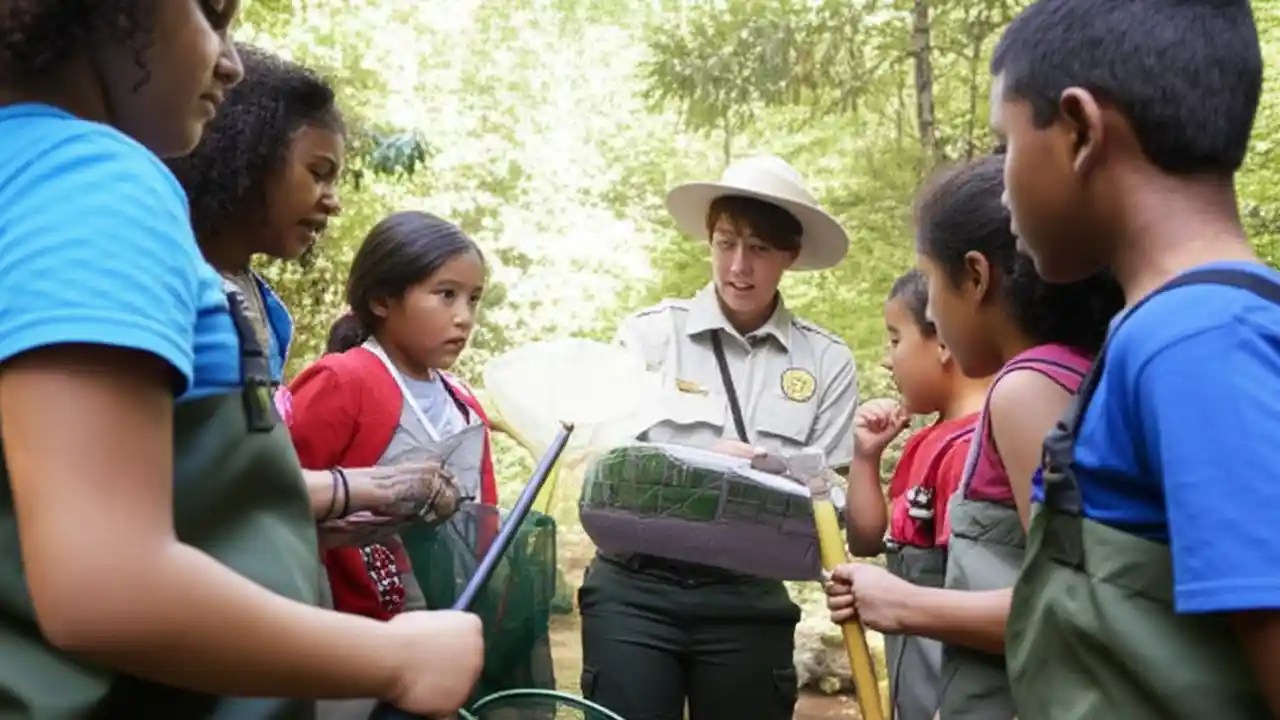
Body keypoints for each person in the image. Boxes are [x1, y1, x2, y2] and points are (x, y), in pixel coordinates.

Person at [0, 2, 482, 717]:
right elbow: (100, 584)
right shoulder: (93, 181)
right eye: (210, 14)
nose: (230, 62)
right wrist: (397, 658)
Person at [991, 0, 1277, 716]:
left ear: (1081, 130)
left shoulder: (1195, 340)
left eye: (1006, 149)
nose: (1001, 190)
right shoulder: (1176, 328)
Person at [825, 155, 1123, 719]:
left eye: (932, 282)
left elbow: (1078, 608)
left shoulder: (1028, 389)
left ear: (977, 277)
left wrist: (905, 603)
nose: (932, 307)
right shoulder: (1081, 371)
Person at [579, 154, 858, 720]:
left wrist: (775, 481)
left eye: (758, 249)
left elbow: (832, 501)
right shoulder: (651, 336)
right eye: (726, 242)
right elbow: (604, 463)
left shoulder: (826, 361)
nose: (738, 265)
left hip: (748, 599)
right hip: (636, 591)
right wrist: (704, 460)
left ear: (790, 255)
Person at [166, 45, 456, 553]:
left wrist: (318, 518)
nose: (334, 200)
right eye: (318, 173)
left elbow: (252, 474)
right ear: (247, 158)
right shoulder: (173, 288)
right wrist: (353, 488)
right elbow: (174, 482)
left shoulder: (266, 309)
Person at [842, 268, 990, 720]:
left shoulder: (973, 449)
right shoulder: (928, 440)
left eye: (894, 339)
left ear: (943, 340)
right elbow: (867, 541)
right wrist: (866, 458)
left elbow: (982, 596)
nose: (888, 361)